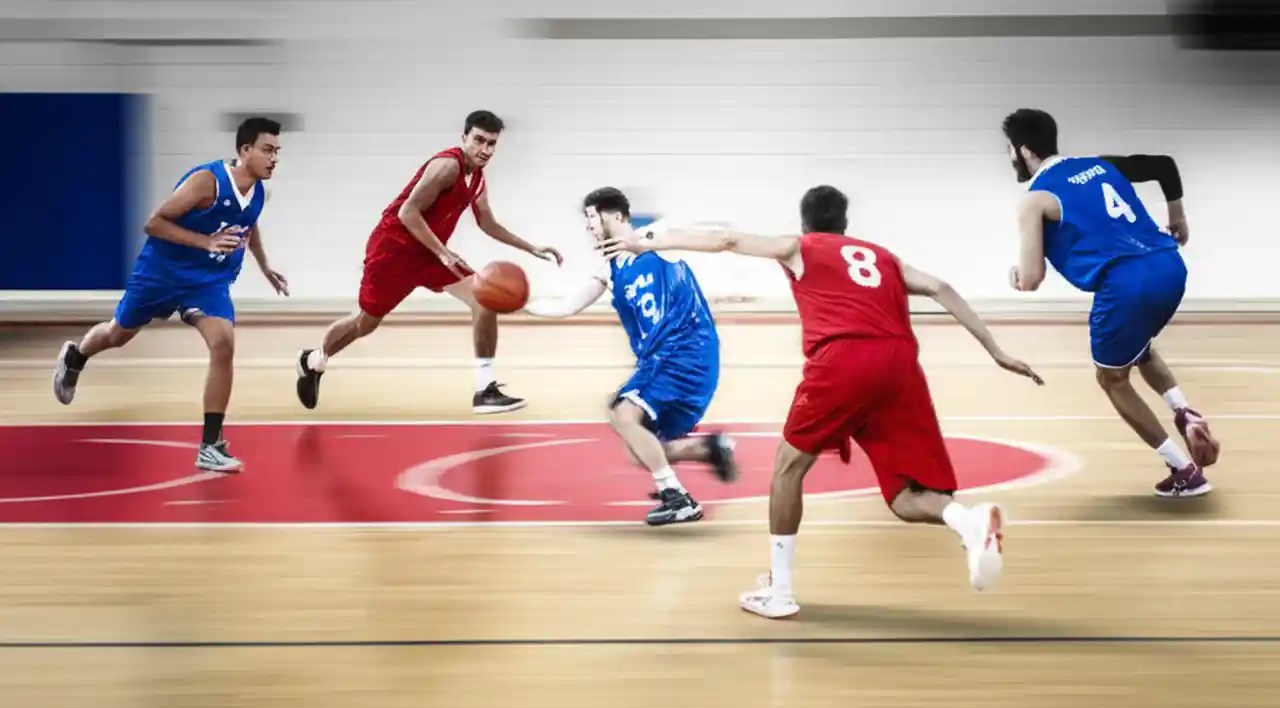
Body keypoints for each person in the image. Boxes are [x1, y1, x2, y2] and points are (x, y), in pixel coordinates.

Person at [597, 185, 1044, 618]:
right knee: (905, 498)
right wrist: (996, 350)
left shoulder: (800, 246)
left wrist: (643, 242)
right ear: (845, 224)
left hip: (844, 359)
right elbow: (941, 287)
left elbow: (727, 238)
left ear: (806, 222)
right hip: (900, 364)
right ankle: (968, 520)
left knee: (788, 469)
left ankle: (781, 591)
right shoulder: (882, 257)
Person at [1002, 108, 1219, 498]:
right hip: (1169, 265)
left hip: (1126, 283)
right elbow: (1164, 166)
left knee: (1111, 379)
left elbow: (1031, 279)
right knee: (1138, 349)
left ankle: (1183, 470)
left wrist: (1015, 275)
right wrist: (1178, 216)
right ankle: (1184, 412)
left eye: (1009, 151)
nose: (1009, 158)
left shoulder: (1034, 199)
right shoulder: (1098, 165)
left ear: (1024, 150)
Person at [52, 117, 289, 472]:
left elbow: (248, 225)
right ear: (245, 151)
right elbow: (154, 223)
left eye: (277, 151)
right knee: (117, 335)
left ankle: (210, 445)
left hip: (207, 281)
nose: (274, 158)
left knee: (223, 343)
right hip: (161, 274)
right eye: (268, 150)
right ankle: (77, 357)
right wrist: (205, 241)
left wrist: (266, 266)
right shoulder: (206, 182)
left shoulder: (257, 192)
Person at [294, 110, 563, 414]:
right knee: (365, 324)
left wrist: (532, 247)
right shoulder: (447, 166)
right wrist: (443, 252)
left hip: (429, 254)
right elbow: (407, 213)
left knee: (484, 300)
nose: (485, 150)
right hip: (392, 252)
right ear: (464, 139)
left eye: (491, 144)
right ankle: (314, 360)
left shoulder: (476, 180)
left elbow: (487, 222)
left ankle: (485, 391)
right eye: (478, 140)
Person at [524, 187, 737, 526]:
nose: (589, 227)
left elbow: (711, 239)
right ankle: (708, 449)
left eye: (592, 217)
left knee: (622, 413)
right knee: (638, 447)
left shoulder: (654, 240)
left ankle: (677, 498)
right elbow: (567, 306)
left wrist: (648, 241)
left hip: (683, 351)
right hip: (666, 361)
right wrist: (519, 304)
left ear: (617, 216)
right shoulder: (611, 270)